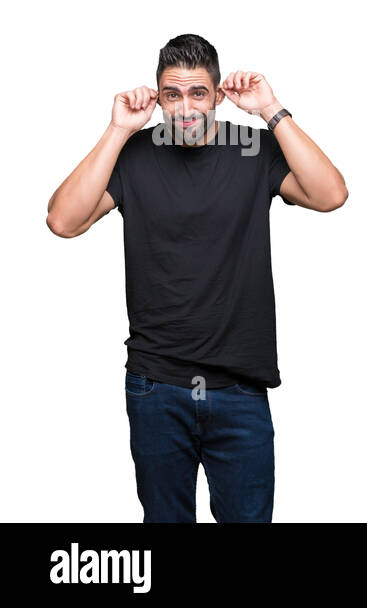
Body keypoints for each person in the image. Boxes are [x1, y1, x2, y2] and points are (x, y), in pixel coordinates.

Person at [46, 34, 348, 522]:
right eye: (172, 94)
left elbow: (330, 194)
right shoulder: (135, 152)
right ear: (159, 97)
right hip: (156, 384)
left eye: (197, 93)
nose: (185, 107)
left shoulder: (251, 147)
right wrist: (117, 130)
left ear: (218, 95)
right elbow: (64, 221)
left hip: (239, 385)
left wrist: (271, 108)